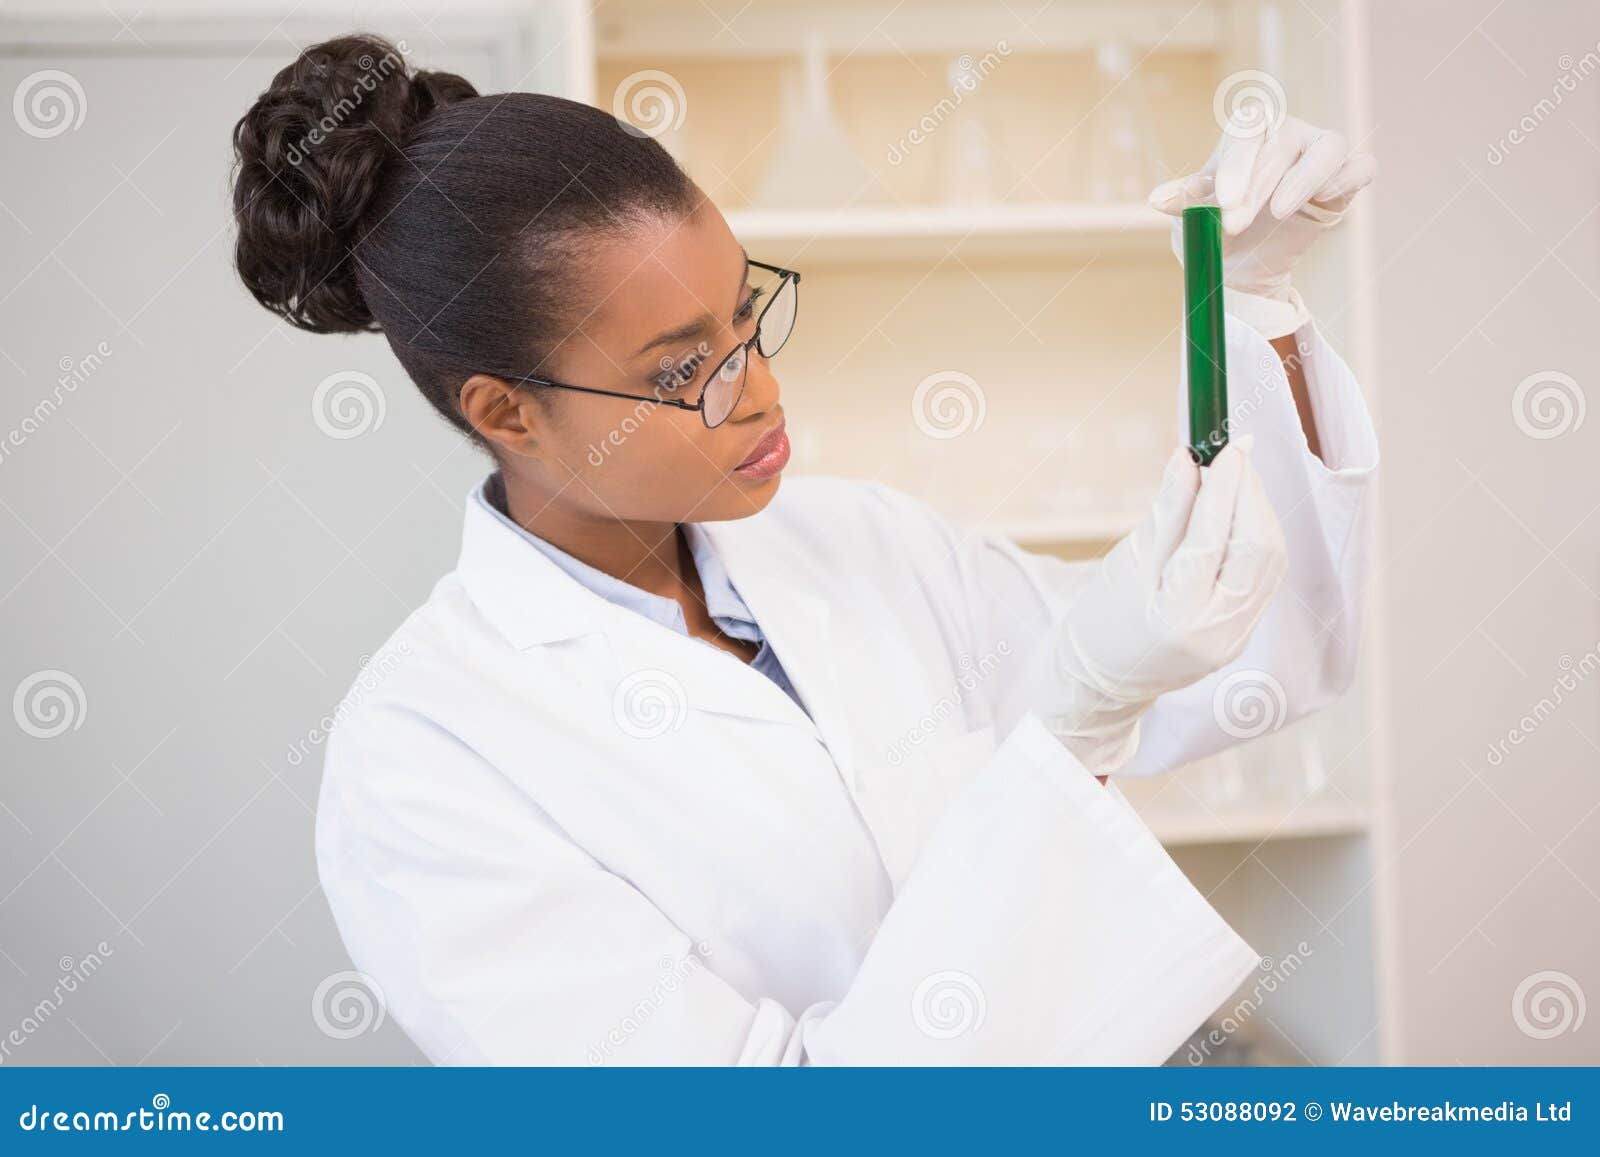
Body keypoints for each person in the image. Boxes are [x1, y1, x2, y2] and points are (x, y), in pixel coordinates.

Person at [231, 35, 1378, 1064]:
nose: (762, 390)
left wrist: (1252, 303)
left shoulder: (856, 540)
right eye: (685, 369)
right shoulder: (424, 756)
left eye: (747, 314)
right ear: (508, 412)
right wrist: (1070, 734)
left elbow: (1261, 654)